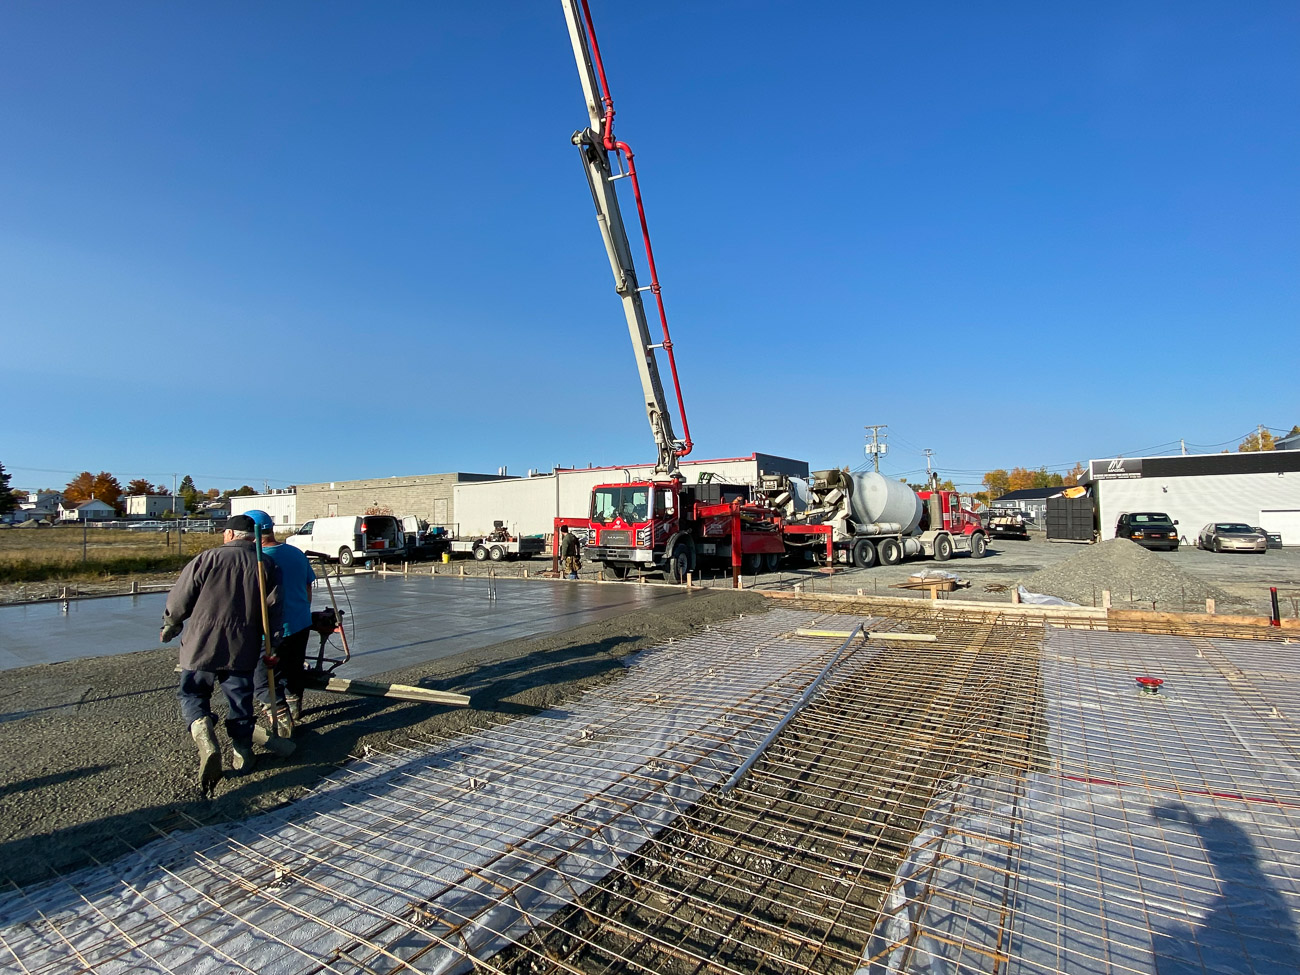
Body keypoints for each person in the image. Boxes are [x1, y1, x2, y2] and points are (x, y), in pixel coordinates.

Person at [161, 513, 282, 793]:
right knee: (239, 699)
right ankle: (241, 751)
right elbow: (274, 608)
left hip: (201, 643)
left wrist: (171, 623)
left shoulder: (207, 559)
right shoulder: (266, 564)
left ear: (229, 535)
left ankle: (204, 733)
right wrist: (272, 644)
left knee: (193, 693)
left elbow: (181, 598)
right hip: (242, 645)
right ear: (253, 537)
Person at [244, 509, 316, 730]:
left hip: (270, 629)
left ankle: (283, 721)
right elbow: (307, 587)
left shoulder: (257, 561)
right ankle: (295, 707)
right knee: (294, 669)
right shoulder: (295, 553)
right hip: (300, 623)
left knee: (264, 679)